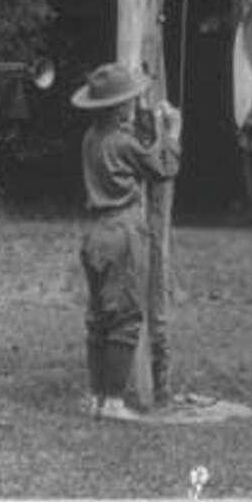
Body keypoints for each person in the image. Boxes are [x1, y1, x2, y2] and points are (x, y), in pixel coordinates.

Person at [71, 61, 182, 421]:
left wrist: (145, 129)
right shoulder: (123, 142)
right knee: (127, 316)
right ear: (119, 106)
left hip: (95, 231)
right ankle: (115, 400)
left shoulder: (93, 136)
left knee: (99, 315)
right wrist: (171, 132)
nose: (135, 103)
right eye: (130, 100)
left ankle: (97, 395)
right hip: (123, 231)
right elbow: (163, 169)